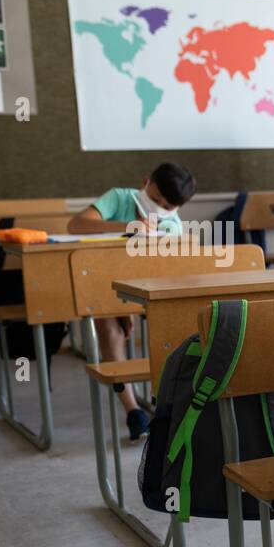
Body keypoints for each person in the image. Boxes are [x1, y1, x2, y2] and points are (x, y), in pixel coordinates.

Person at [68, 163, 197, 439]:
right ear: (146, 181)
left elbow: (170, 272)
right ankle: (132, 409)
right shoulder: (120, 198)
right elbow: (76, 224)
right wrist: (125, 226)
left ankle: (170, 402)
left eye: (167, 206)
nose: (158, 207)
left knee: (179, 322)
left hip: (148, 291)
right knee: (107, 324)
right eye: (156, 198)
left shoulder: (172, 225)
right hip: (104, 286)